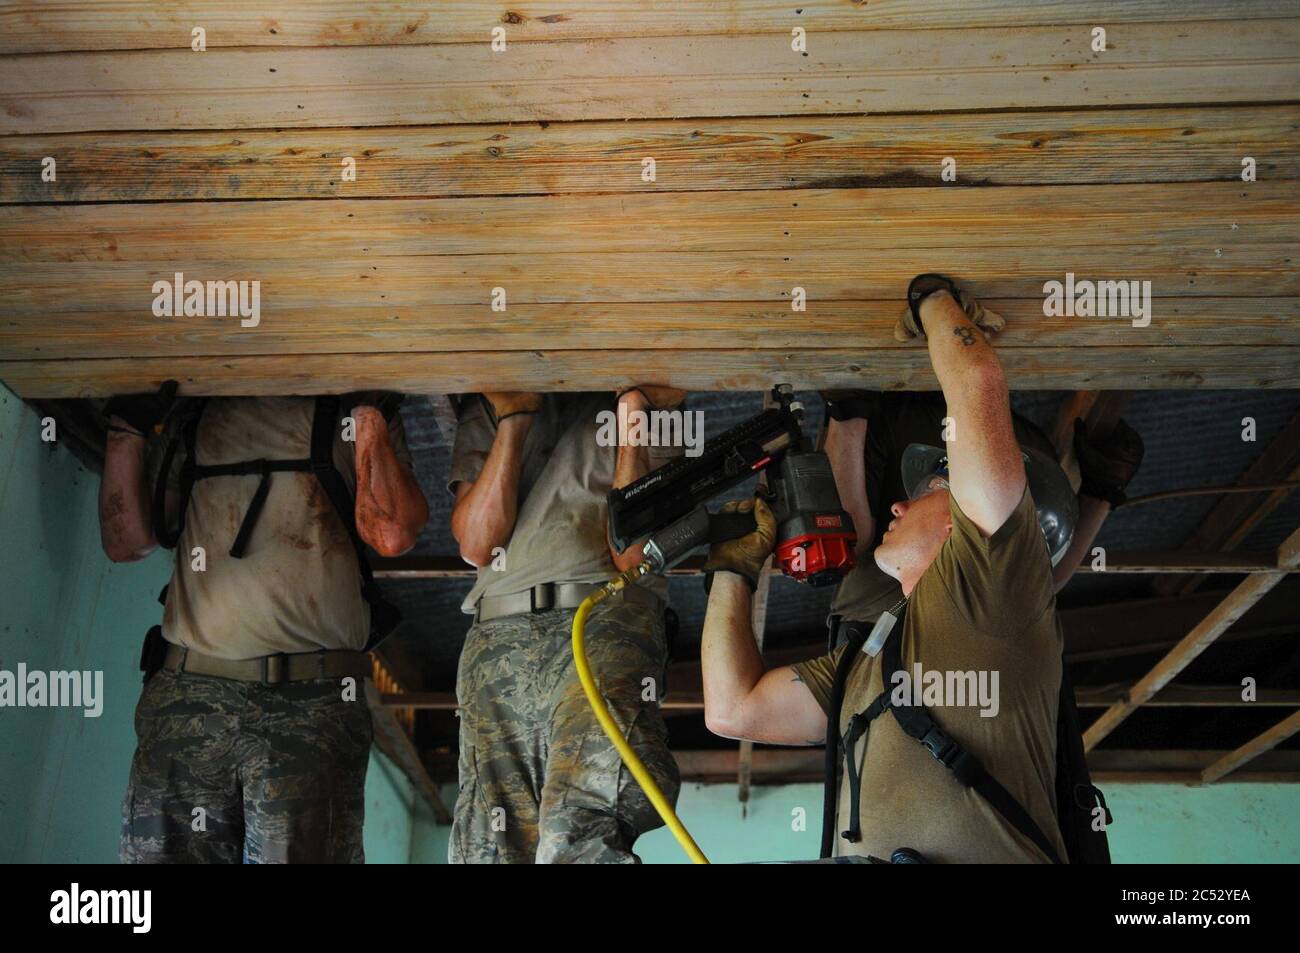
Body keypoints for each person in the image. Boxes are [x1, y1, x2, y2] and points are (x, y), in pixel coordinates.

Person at [698, 276, 1089, 862]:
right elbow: (978, 384)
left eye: (922, 490)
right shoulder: (993, 597)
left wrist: (731, 570)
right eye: (934, 489)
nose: (898, 505)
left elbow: (735, 710)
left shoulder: (870, 659)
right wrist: (932, 300)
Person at [99, 390, 428, 863]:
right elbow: (125, 543)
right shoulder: (195, 416)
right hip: (191, 695)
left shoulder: (348, 414)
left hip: (310, 708)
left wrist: (368, 415)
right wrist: (126, 433)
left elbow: (393, 534)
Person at [447, 387, 684, 863]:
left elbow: (634, 555)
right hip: (498, 635)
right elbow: (476, 545)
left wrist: (633, 413)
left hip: (602, 617)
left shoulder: (659, 399)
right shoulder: (492, 398)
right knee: (491, 845)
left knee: (576, 827)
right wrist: (514, 418)